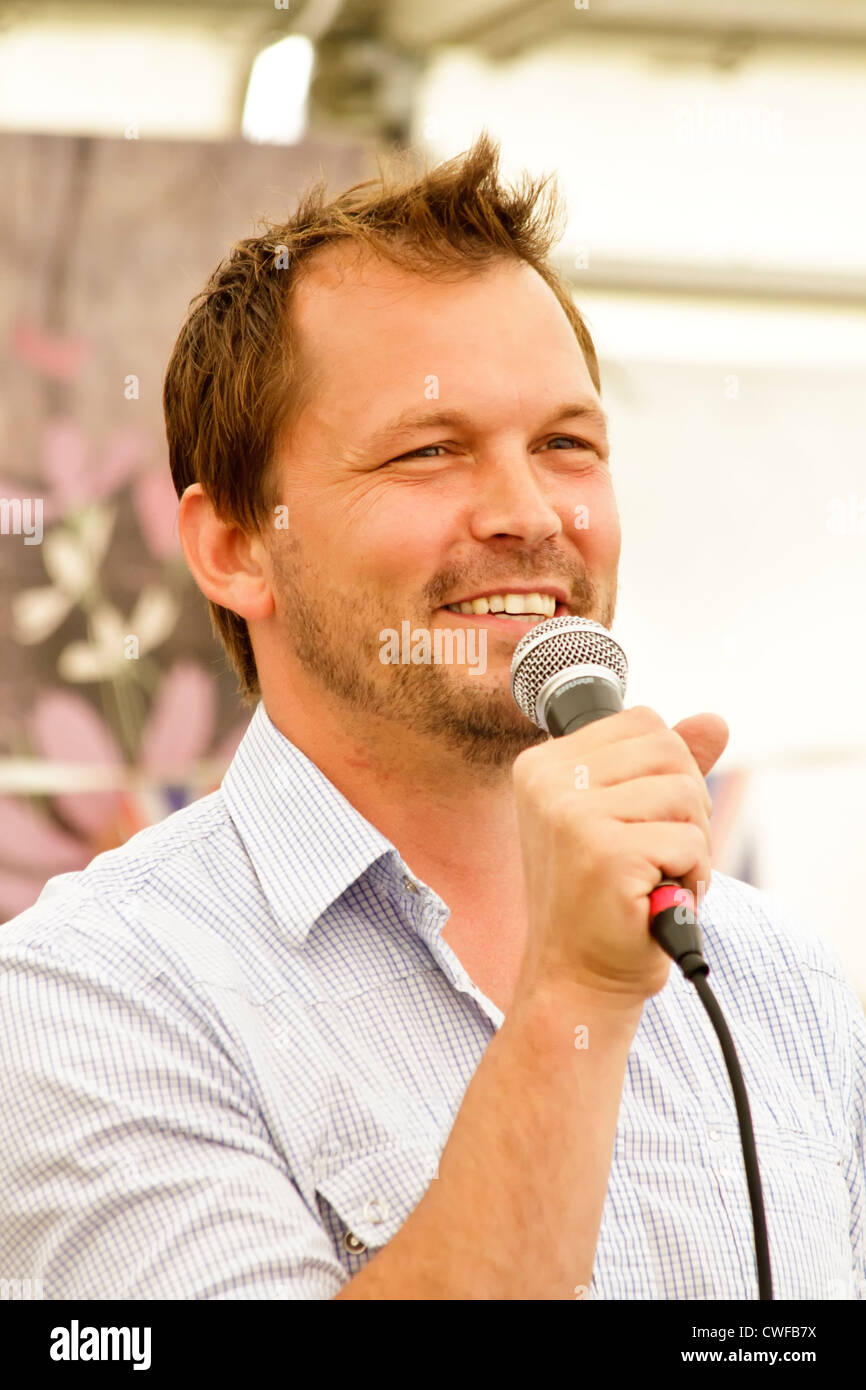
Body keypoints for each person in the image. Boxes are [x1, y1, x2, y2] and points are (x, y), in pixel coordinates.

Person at [1, 133, 863, 1301]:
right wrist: (572, 1003)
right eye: (428, 451)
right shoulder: (87, 1001)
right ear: (235, 546)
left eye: (565, 442)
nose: (526, 512)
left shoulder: (779, 986)